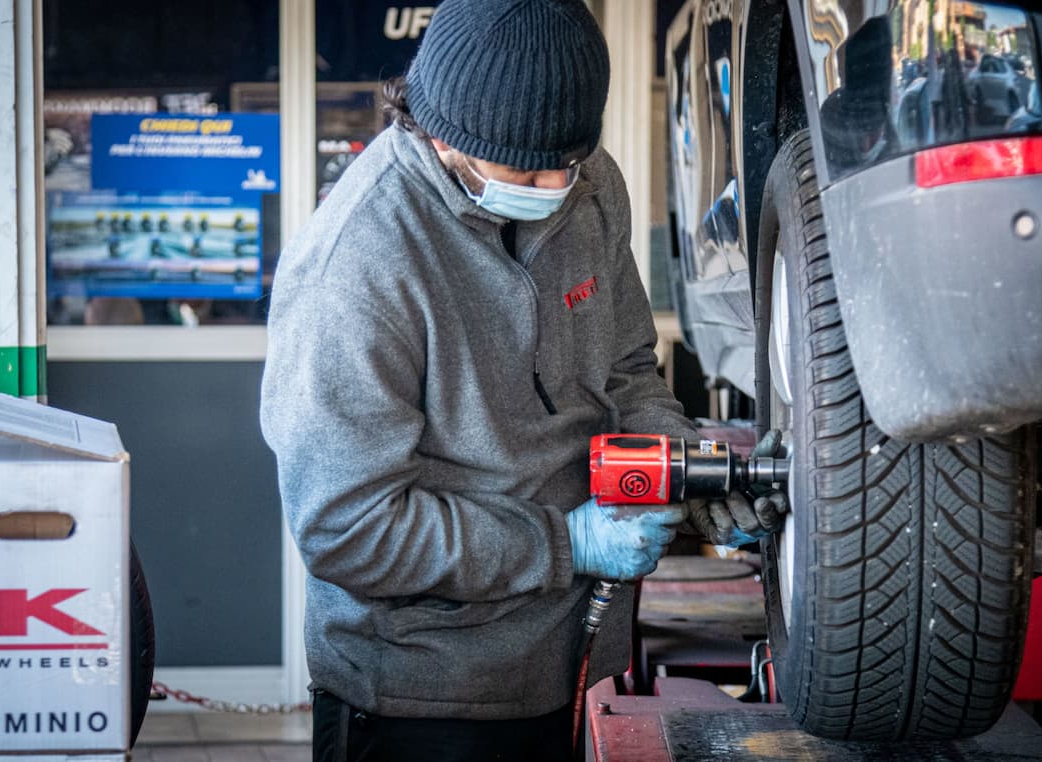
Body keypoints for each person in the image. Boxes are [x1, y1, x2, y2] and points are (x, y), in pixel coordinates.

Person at [259, 2, 785, 759]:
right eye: (526, 169)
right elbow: (348, 530)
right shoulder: (359, 265)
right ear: (444, 133)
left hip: (582, 673)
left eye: (567, 162)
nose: (554, 186)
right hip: (425, 697)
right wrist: (564, 542)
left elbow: (629, 369)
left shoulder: (586, 184)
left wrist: (684, 473)